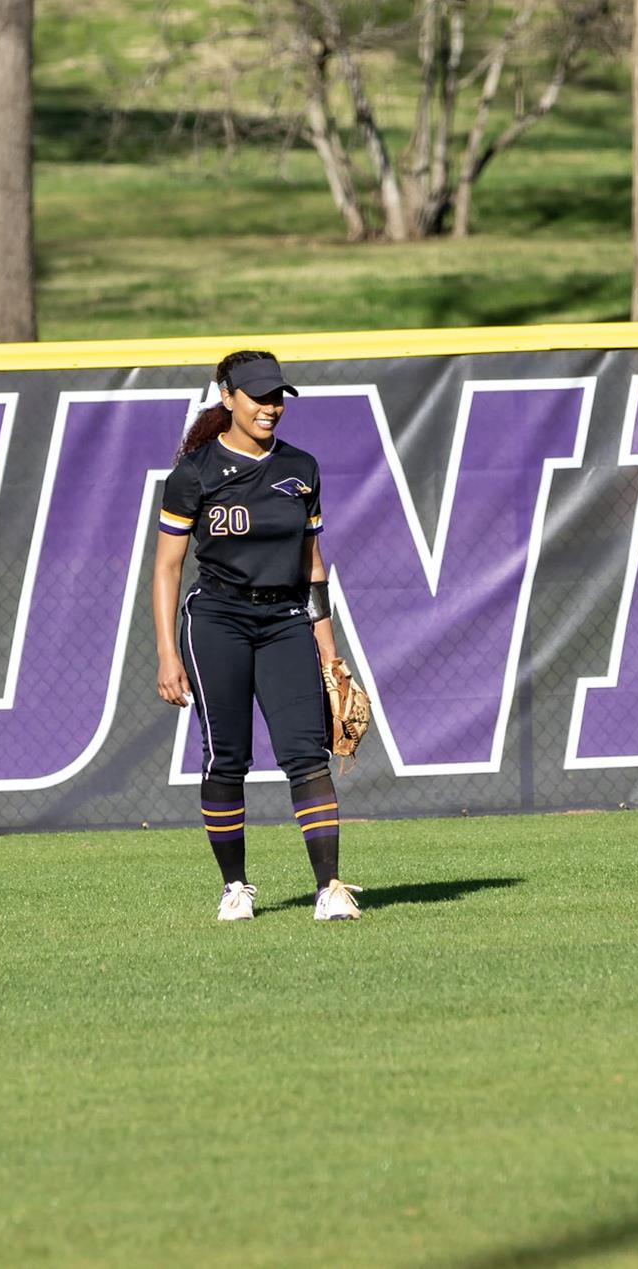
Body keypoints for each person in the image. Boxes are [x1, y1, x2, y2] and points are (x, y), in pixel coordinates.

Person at [151, 350, 362, 922]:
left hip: (286, 620)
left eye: (277, 396)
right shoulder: (193, 473)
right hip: (216, 620)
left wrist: (329, 651)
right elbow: (168, 567)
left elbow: (312, 565)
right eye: (258, 396)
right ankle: (235, 888)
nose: (271, 407)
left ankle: (330, 889)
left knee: (307, 755)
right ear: (228, 398)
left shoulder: (301, 467)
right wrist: (168, 652)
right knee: (227, 760)